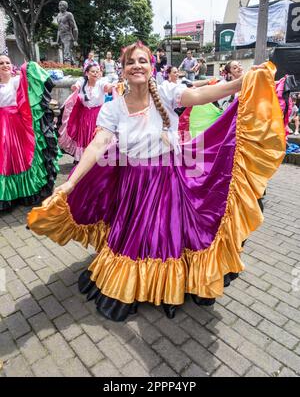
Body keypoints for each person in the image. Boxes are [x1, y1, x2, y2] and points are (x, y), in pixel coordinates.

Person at [28, 42, 286, 322]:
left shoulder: (166, 92)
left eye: (142, 61)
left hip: (168, 178)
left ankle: (168, 285)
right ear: (123, 71)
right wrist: (70, 183)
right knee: (137, 237)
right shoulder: (113, 108)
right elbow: (97, 145)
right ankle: (136, 285)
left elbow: (199, 94)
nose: (137, 66)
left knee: (167, 234)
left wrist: (242, 82)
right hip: (133, 182)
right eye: (130, 63)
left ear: (151, 67)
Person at [0, 55, 60, 211]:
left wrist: (29, 67)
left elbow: (33, 81)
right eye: (1, 63)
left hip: (18, 125)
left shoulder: (16, 81)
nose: (5, 65)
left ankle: (25, 192)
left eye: (7, 62)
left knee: (22, 158)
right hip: (2, 127)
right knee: (4, 160)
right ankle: (7, 196)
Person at [58, 64, 114, 163]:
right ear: (87, 73)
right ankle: (83, 159)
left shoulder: (101, 82)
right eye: (93, 71)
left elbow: (107, 88)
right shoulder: (82, 81)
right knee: (84, 135)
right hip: (84, 115)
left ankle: (97, 159)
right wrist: (75, 87)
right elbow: (75, 86)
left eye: (97, 71)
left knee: (96, 136)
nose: (95, 73)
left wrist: (112, 86)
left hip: (98, 116)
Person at [55, 1, 78, 65]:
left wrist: (75, 40)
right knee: (67, 52)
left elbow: (74, 27)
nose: (60, 7)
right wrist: (57, 40)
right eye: (59, 5)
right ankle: (74, 65)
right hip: (61, 36)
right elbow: (59, 29)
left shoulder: (69, 14)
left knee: (66, 53)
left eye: (62, 5)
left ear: (66, 6)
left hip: (68, 35)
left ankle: (67, 68)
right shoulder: (58, 15)